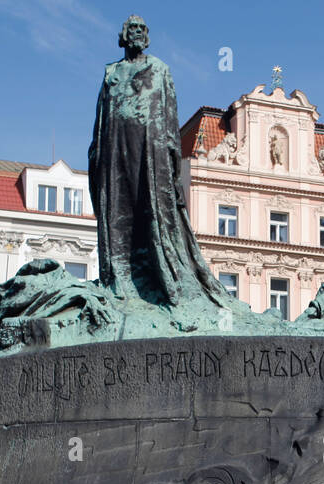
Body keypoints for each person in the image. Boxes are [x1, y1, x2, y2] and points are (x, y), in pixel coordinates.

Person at [88, 15, 230, 310]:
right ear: (124, 35)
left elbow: (169, 119)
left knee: (153, 211)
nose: (137, 34)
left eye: (142, 30)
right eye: (132, 29)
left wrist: (174, 168)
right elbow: (100, 118)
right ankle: (120, 277)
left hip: (151, 152)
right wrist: (97, 153)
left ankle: (160, 278)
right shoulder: (111, 72)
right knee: (118, 211)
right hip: (115, 149)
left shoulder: (160, 70)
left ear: (147, 36)